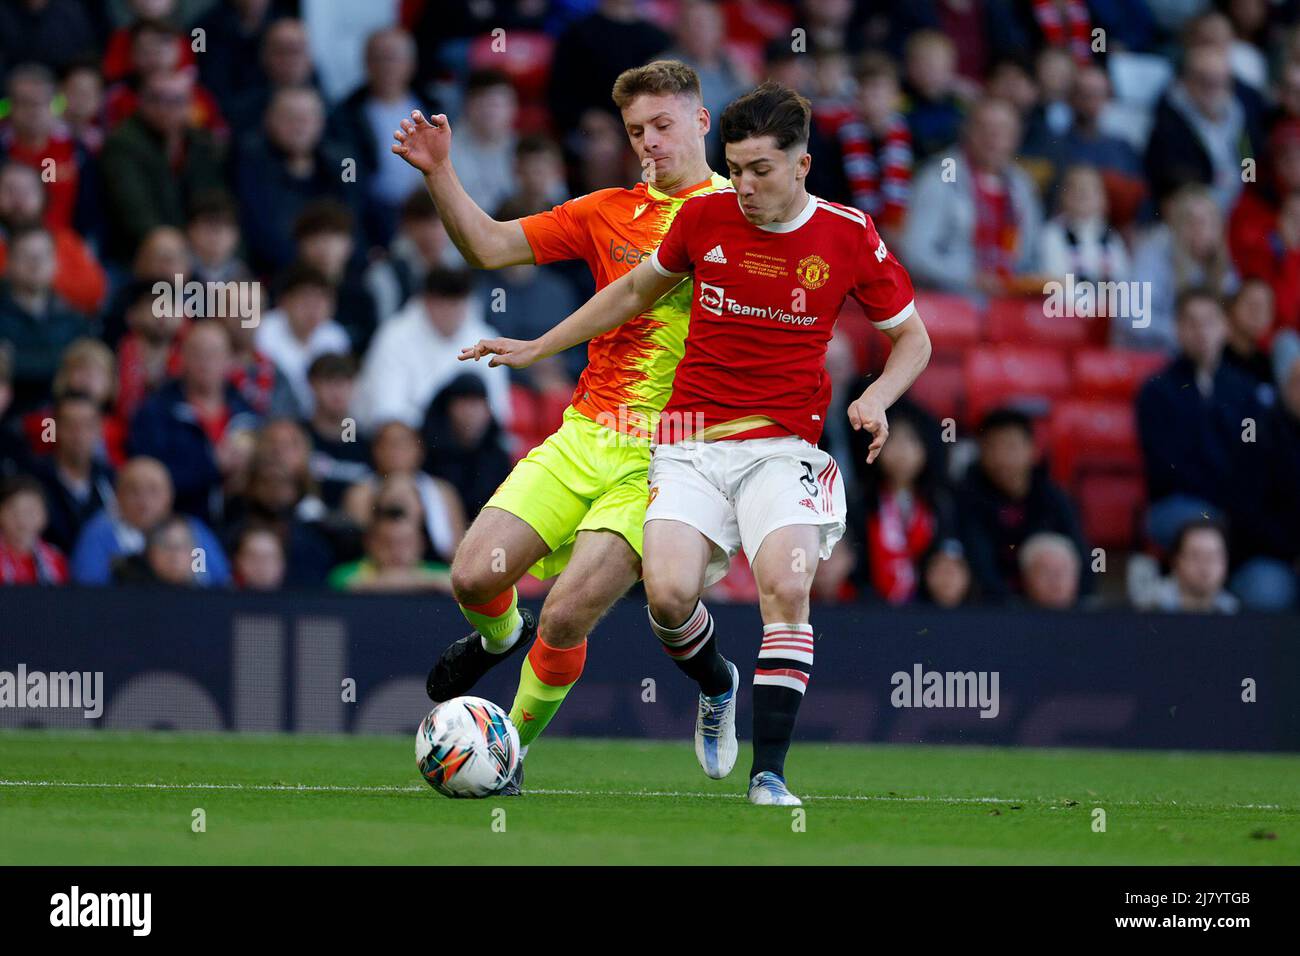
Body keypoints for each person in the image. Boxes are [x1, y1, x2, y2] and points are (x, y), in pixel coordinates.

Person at [462, 82, 931, 805]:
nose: (743, 185)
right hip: (688, 445)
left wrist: (875, 397)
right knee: (669, 595)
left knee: (786, 588)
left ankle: (769, 776)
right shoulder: (704, 218)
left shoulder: (848, 233)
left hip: (783, 448)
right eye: (735, 169)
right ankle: (717, 683)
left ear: (802, 166)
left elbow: (912, 339)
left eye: (761, 171)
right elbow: (627, 296)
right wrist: (540, 347)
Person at [391, 59, 730, 792]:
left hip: (667, 456)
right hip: (584, 434)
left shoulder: (740, 215)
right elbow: (488, 246)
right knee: (472, 575)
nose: (649, 143)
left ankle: (509, 753)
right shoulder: (606, 210)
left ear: (703, 122)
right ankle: (497, 634)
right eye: (636, 131)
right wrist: (440, 171)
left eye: (663, 126)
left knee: (568, 615)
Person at [956, 408, 1089, 601]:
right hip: (994, 610)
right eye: (993, 447)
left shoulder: (1053, 498)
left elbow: (1080, 559)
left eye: (1011, 447)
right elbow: (979, 565)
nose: (1002, 458)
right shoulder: (968, 498)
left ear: (1032, 450)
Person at [70, 455, 230, 587]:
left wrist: (187, 570)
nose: (144, 500)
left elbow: (216, 579)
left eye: (153, 490)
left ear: (169, 496)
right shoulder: (99, 533)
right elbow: (88, 590)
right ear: (117, 496)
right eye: (134, 491)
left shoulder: (191, 530)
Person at [0, 474, 67, 584]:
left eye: (30, 512)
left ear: (44, 516)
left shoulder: (55, 559)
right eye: (13, 512)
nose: (22, 521)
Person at [1018, 532, 1082, 610]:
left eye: (1062, 572)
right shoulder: (1010, 616)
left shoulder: (1092, 617)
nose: (1055, 580)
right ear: (1026, 577)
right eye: (1047, 572)